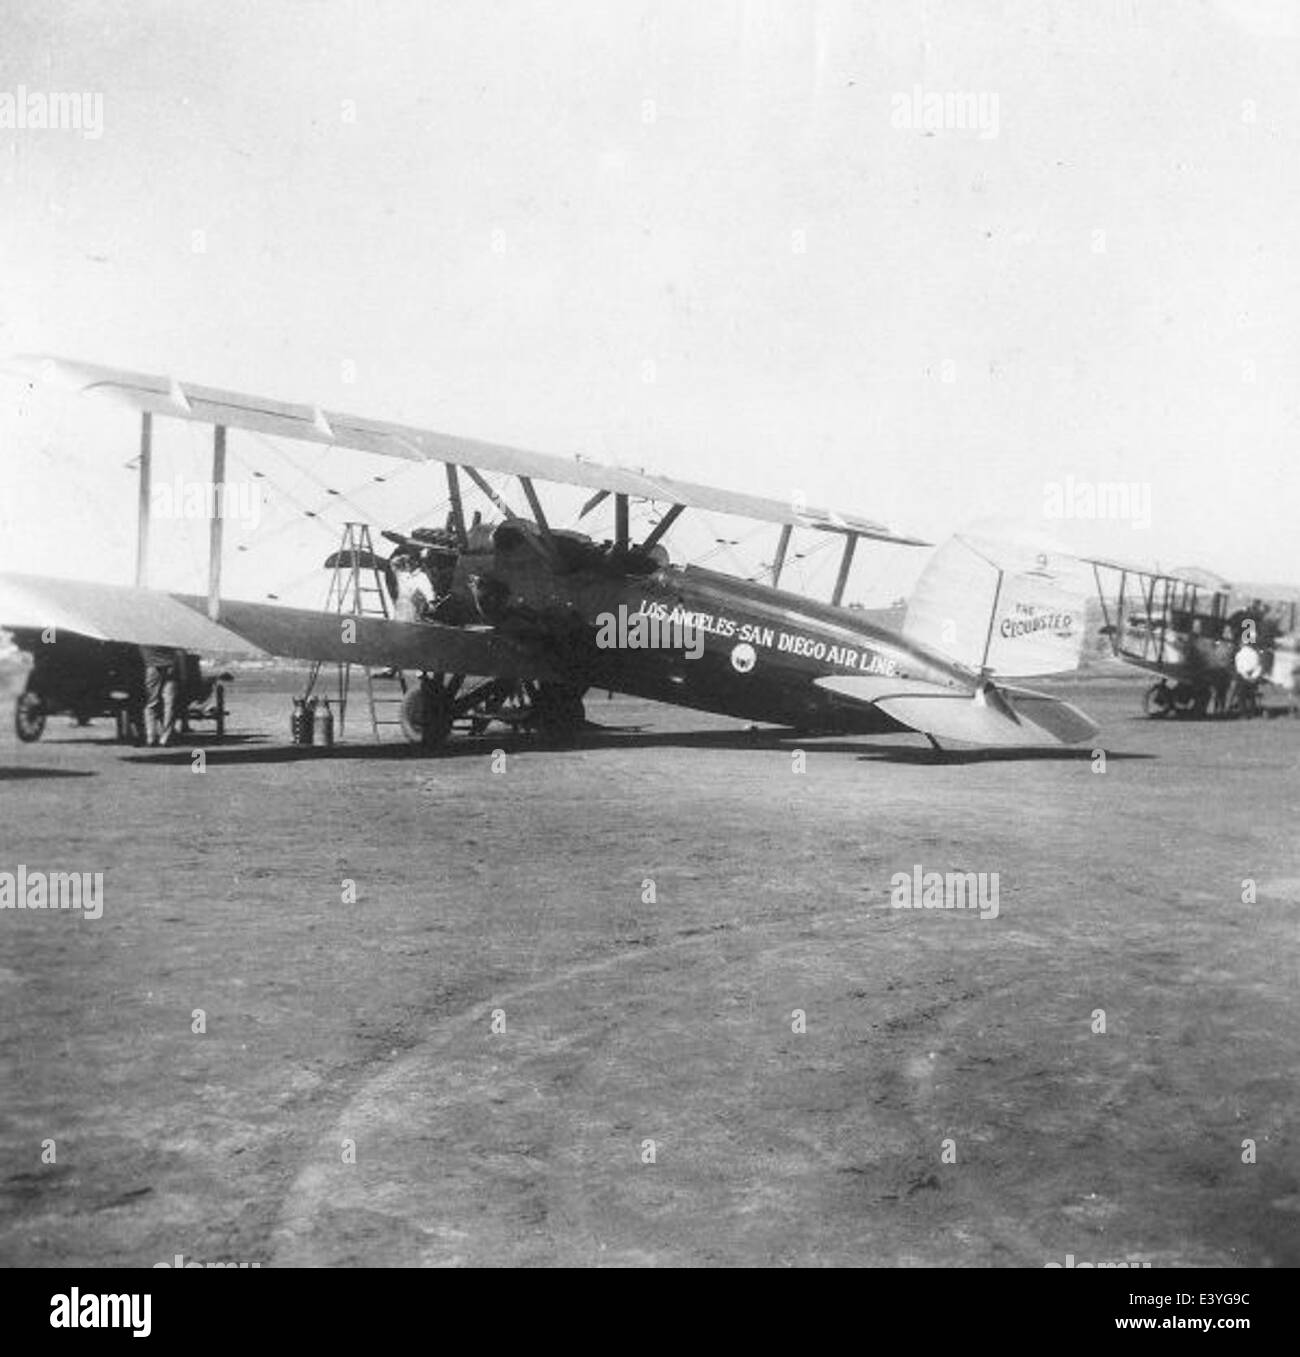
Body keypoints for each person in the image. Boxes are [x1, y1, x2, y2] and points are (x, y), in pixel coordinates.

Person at [139, 645, 183, 746]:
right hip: (170, 665)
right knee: (169, 703)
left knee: (151, 702)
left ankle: (151, 737)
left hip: (152, 664)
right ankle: (165, 737)